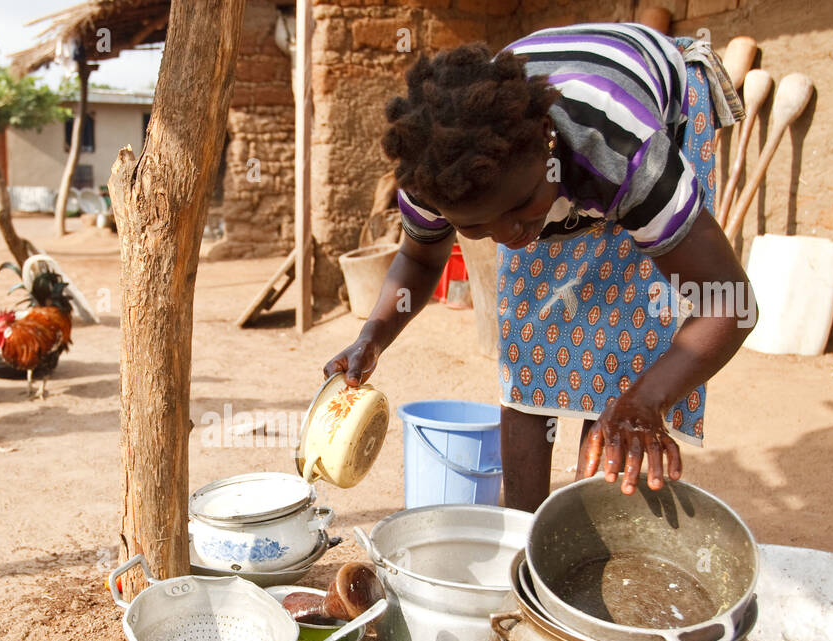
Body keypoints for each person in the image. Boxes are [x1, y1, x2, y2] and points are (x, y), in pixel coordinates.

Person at [324, 23, 756, 512]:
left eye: (521, 207)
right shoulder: (435, 176)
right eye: (480, 228)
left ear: (548, 143)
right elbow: (420, 259)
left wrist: (648, 398)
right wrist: (373, 336)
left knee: (631, 352)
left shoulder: (619, 146)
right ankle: (524, 532)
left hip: (655, 109)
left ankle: (602, 530)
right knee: (529, 348)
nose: (512, 235)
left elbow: (730, 302)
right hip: (551, 167)